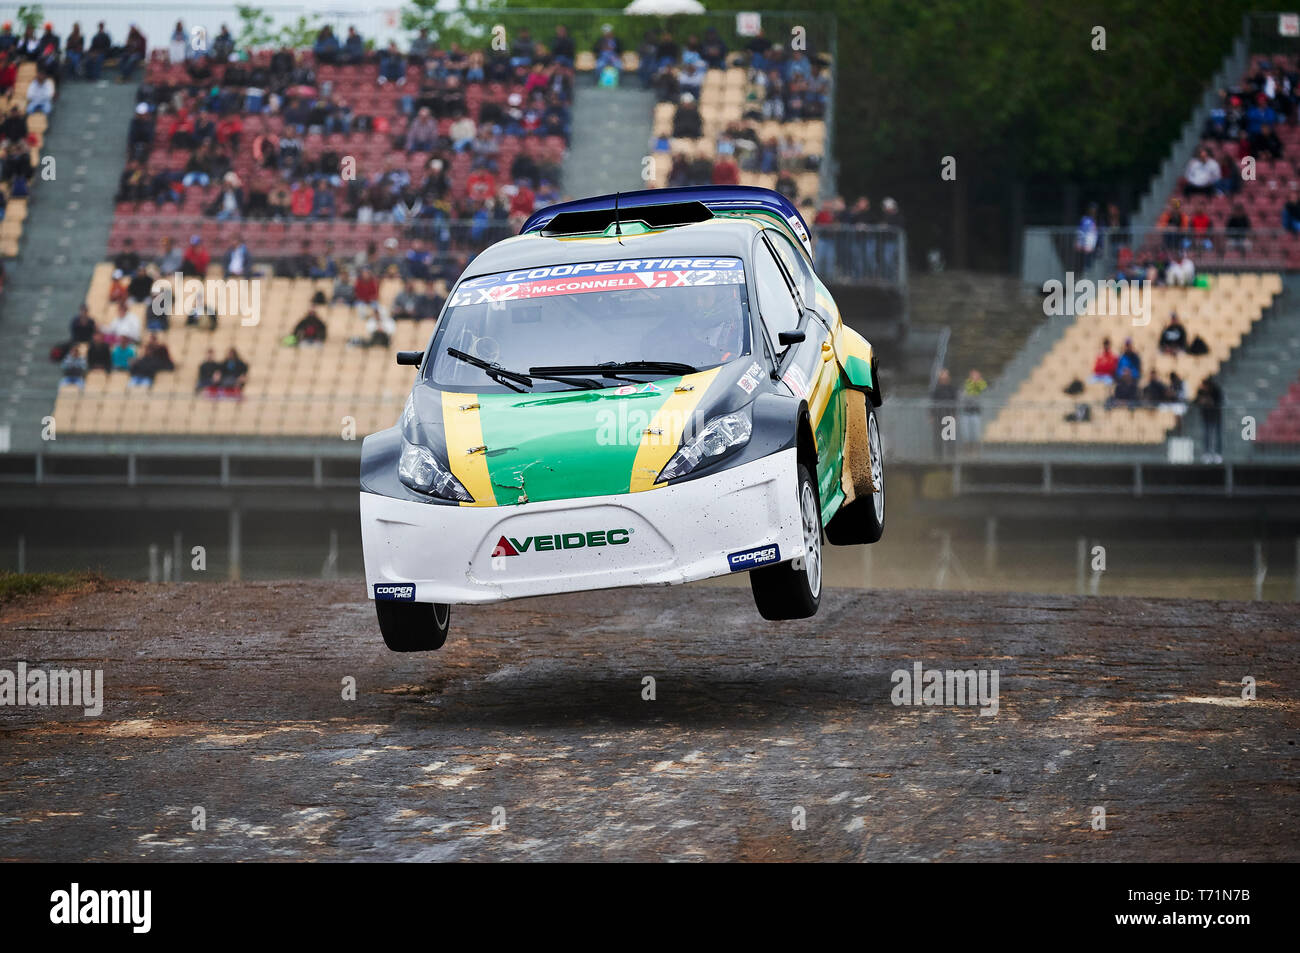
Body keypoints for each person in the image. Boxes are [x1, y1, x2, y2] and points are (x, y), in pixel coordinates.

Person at [929, 367, 957, 458]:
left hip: (949, 416)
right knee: (938, 438)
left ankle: (950, 458)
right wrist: (932, 415)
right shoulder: (936, 389)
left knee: (950, 439)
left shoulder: (952, 388)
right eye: (943, 376)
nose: (944, 378)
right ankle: (938, 458)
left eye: (946, 376)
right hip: (938, 416)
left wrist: (954, 414)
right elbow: (932, 403)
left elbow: (955, 401)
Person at [1195, 375, 1224, 463]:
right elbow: (1195, 401)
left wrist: (1212, 402)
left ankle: (1218, 454)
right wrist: (1201, 401)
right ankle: (1207, 453)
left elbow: (1220, 401)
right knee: (1206, 435)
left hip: (1216, 416)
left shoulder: (1216, 390)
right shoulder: (1201, 391)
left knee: (1217, 435)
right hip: (1206, 416)